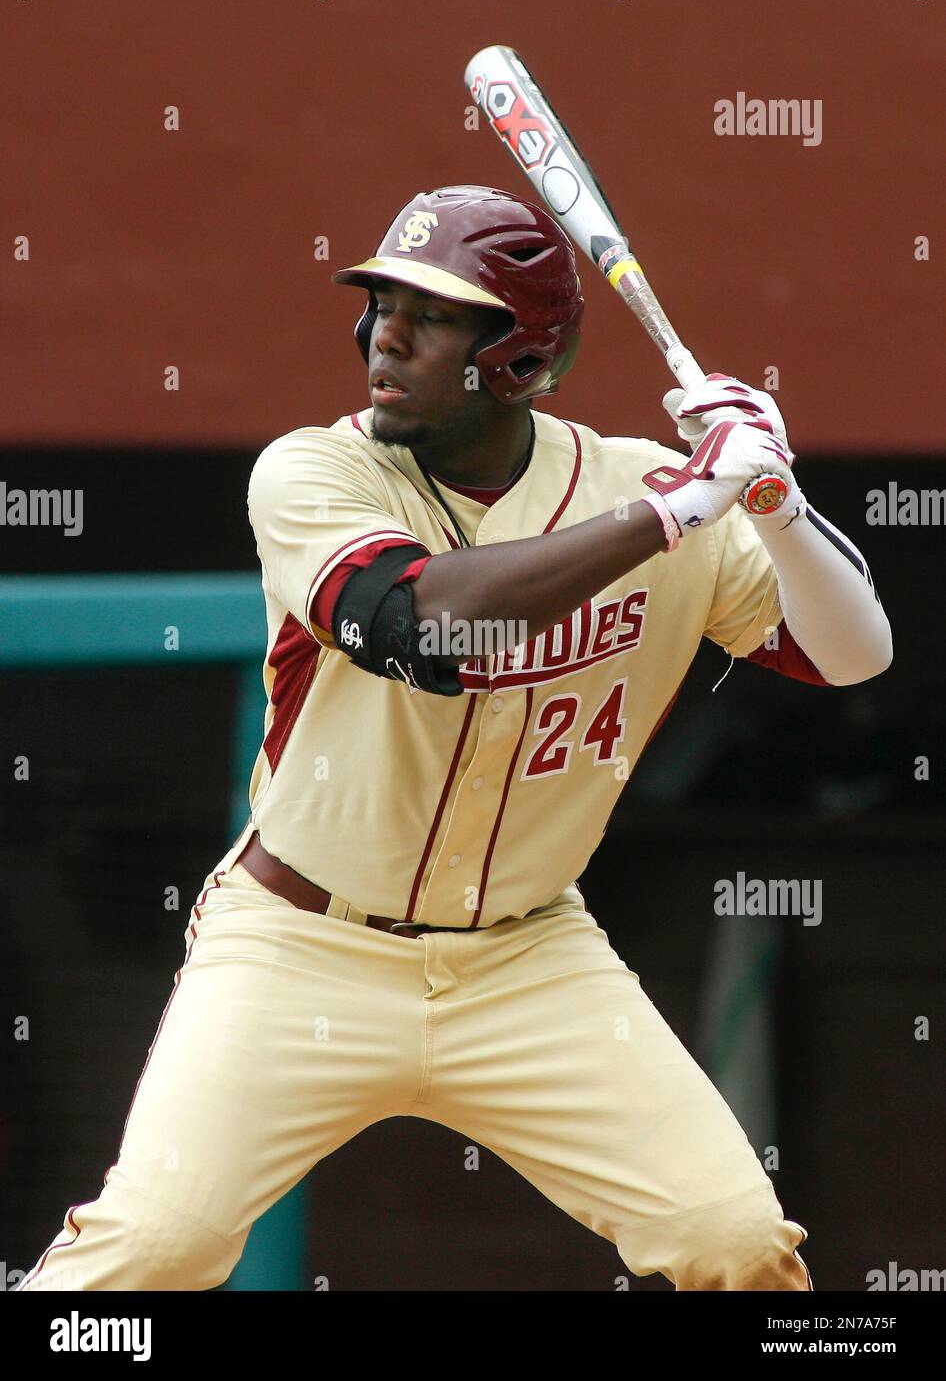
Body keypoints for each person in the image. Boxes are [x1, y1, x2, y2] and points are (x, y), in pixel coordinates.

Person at [16, 186, 891, 1292]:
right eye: (382, 305)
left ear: (519, 360)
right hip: (303, 946)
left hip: (529, 958)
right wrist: (676, 510)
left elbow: (851, 655)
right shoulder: (313, 471)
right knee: (154, 1247)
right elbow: (422, 626)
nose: (385, 336)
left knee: (737, 1244)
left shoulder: (636, 483)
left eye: (431, 316)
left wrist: (772, 502)